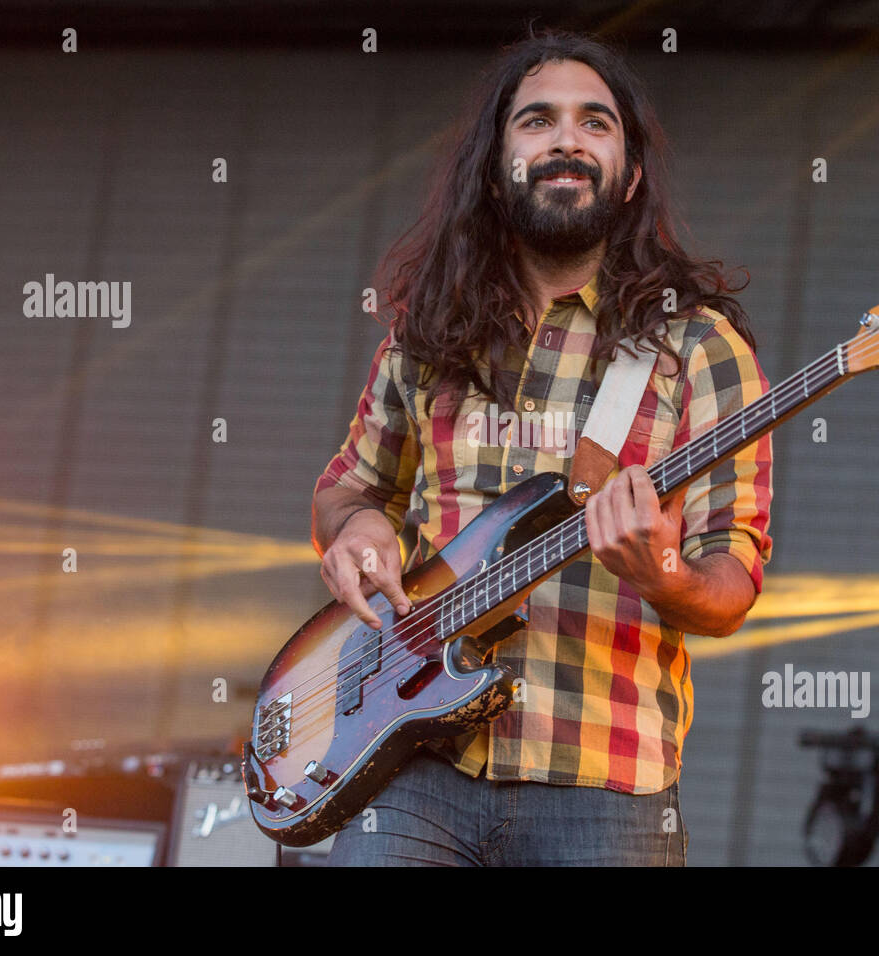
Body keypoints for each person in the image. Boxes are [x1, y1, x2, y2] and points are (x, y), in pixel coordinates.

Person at [311, 28, 773, 866]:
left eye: (596, 123)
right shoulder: (426, 335)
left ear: (630, 176)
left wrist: (658, 570)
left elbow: (731, 584)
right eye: (538, 121)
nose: (567, 138)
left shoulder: (697, 350)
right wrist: (355, 530)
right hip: (412, 762)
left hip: (601, 784)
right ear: (495, 167)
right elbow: (348, 487)